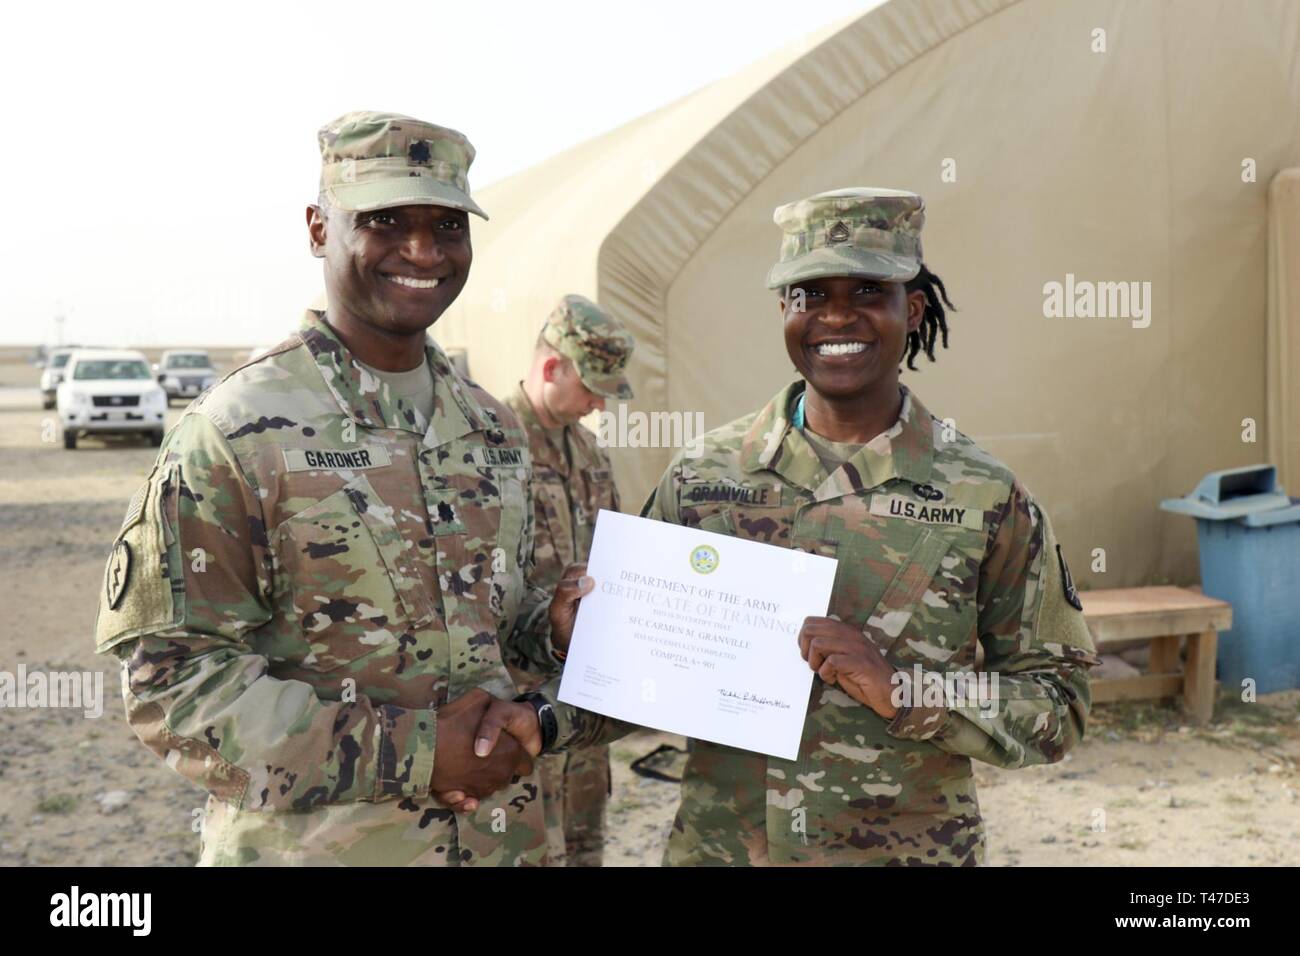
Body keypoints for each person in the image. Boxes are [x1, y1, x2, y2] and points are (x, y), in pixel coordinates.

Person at [93, 110, 599, 866]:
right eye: (385, 219)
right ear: (318, 228)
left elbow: (495, 618)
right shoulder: (238, 429)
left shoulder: (490, 427)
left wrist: (548, 629)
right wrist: (418, 753)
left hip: (503, 843)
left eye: (448, 225)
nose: (423, 250)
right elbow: (173, 686)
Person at [639, 187, 1099, 865]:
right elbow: (631, 660)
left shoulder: (985, 494)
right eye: (810, 294)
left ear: (911, 310)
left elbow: (1059, 705)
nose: (837, 316)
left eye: (866, 291)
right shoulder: (702, 478)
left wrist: (906, 690)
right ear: (784, 311)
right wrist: (559, 667)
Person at [505, 294, 634, 866]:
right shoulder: (492, 445)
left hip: (583, 696)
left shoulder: (590, 452)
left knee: (584, 845)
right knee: (528, 845)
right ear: (552, 367)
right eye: (592, 386)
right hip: (517, 695)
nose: (599, 402)